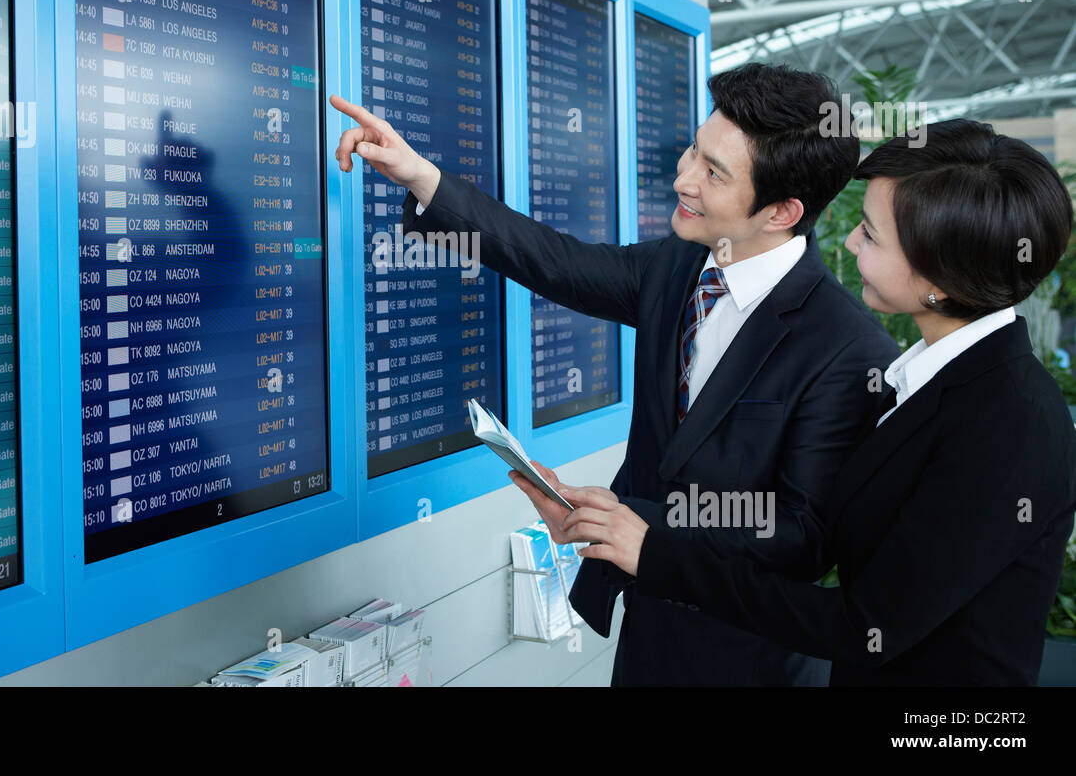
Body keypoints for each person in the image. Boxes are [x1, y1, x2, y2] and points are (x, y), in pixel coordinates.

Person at [331, 62, 900, 686]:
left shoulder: (847, 349)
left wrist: (644, 526)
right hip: (648, 642)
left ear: (781, 212)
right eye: (693, 150)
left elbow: (803, 535)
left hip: (750, 660)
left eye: (713, 173)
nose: (682, 179)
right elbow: (553, 260)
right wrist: (423, 177)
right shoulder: (678, 267)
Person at [529, 119, 1076, 685]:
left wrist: (655, 553)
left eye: (871, 234)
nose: (849, 242)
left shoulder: (1008, 424)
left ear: (938, 275)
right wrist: (621, 519)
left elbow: (865, 625)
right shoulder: (932, 383)